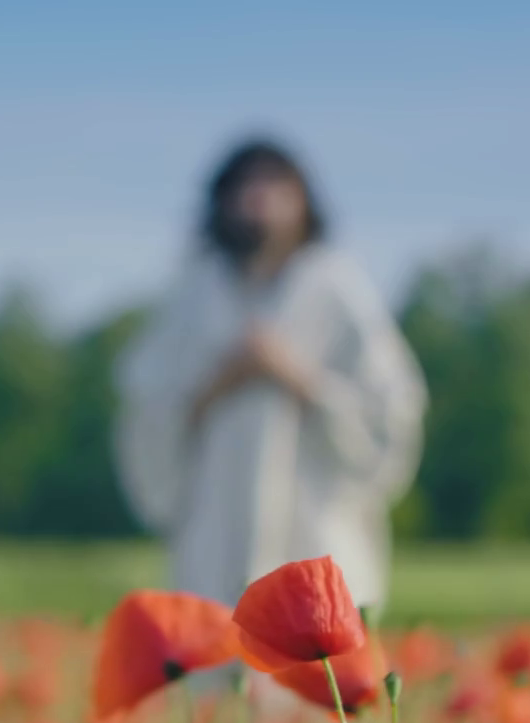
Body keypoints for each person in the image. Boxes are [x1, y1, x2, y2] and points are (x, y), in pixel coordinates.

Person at [114, 137, 427, 615]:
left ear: (302, 201)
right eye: (245, 186)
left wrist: (293, 375)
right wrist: (222, 382)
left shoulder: (336, 289)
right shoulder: (192, 294)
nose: (258, 199)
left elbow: (390, 409)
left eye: (274, 185)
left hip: (315, 529)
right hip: (213, 539)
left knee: (313, 664)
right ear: (221, 202)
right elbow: (147, 417)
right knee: (217, 666)